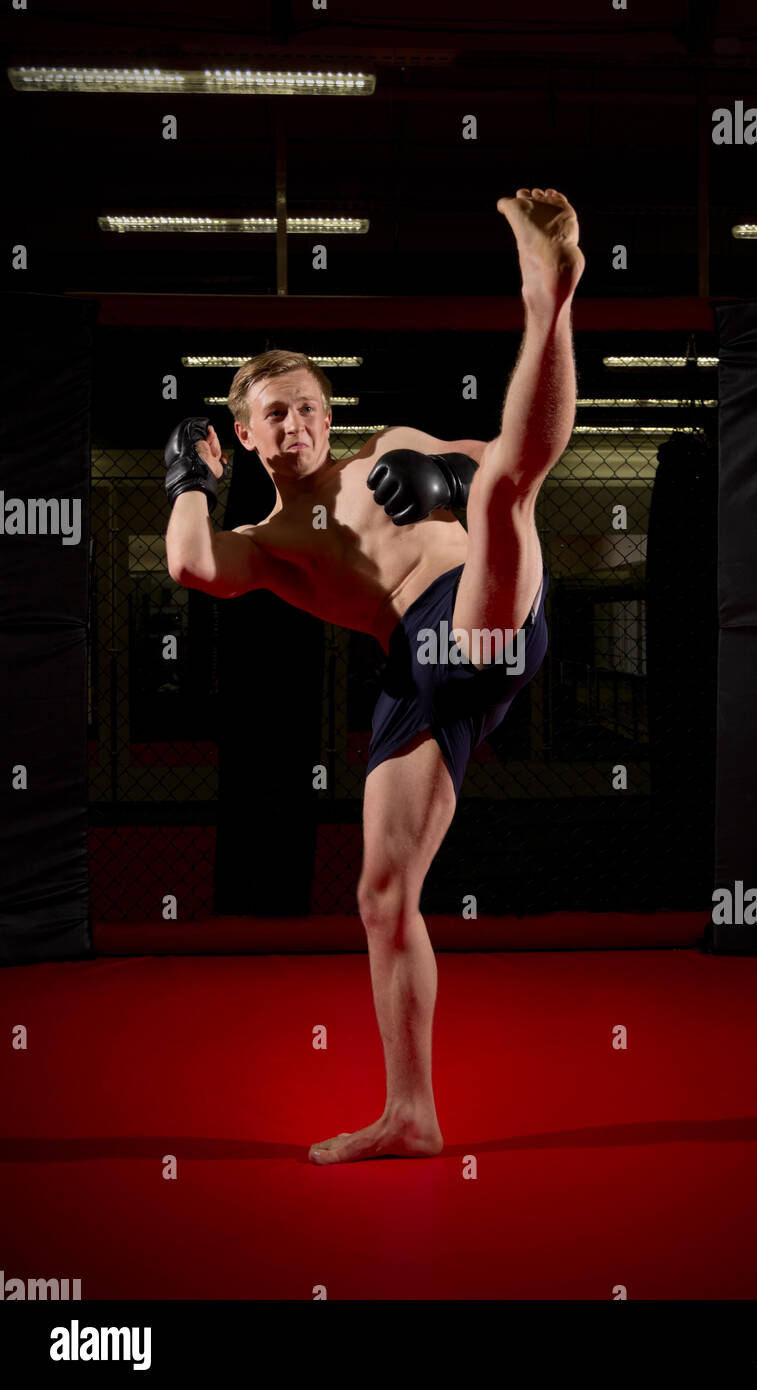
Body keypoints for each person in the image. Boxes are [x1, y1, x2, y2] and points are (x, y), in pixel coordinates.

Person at [164, 188, 585, 1163]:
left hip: (478, 605)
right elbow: (190, 562)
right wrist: (189, 476)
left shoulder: (389, 447)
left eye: (311, 404)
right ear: (248, 435)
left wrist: (454, 478)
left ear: (329, 412)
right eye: (277, 413)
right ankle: (411, 1113)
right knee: (382, 894)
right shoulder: (272, 541)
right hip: (416, 665)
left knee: (505, 493)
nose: (300, 421)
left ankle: (550, 295)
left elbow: (501, 458)